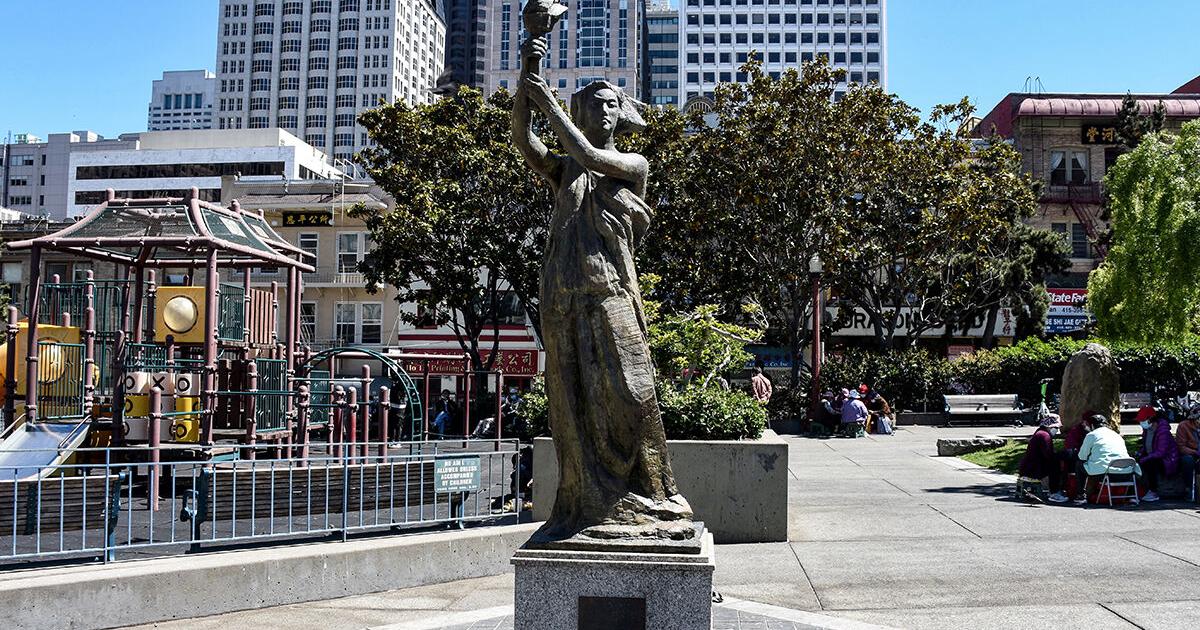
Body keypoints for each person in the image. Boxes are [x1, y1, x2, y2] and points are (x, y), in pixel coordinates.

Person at [1075, 413, 1139, 505]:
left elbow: (1082, 456)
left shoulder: (1091, 435)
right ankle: (1132, 496)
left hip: (1104, 472)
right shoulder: (1117, 435)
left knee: (1079, 465)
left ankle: (1081, 495)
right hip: (1125, 471)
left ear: (1092, 425)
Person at [1135, 406, 1179, 502]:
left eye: (1143, 420)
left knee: (1150, 463)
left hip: (1167, 461)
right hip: (1154, 456)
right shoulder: (1147, 430)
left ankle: (1153, 491)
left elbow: (1161, 452)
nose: (1141, 423)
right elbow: (1146, 446)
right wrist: (1139, 454)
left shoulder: (1163, 432)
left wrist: (1145, 458)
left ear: (1150, 419)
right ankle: (1136, 490)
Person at [1020, 414, 1062, 501]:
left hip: (1029, 466)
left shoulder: (1040, 432)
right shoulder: (1045, 436)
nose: (1057, 430)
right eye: (1056, 427)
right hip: (1033, 468)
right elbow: (1048, 455)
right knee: (1055, 466)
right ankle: (1054, 492)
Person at [1176, 407, 1200, 478]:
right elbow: (1181, 447)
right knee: (1187, 461)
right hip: (1190, 453)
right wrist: (1195, 452)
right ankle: (1188, 485)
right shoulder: (1183, 426)